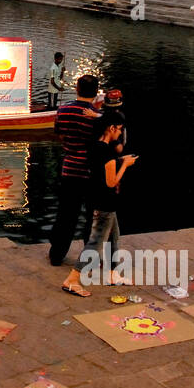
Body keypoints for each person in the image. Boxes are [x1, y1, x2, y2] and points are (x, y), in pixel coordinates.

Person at [49, 74, 101, 287]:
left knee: (66, 215)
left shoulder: (63, 111)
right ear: (96, 92)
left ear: (77, 89)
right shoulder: (97, 116)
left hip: (69, 169)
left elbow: (60, 135)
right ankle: (89, 260)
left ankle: (56, 255)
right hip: (90, 172)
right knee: (91, 217)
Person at [81, 112, 136, 288]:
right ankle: (74, 277)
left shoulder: (94, 146)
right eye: (119, 129)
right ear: (111, 128)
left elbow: (101, 168)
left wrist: (118, 161)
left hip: (94, 196)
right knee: (97, 241)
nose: (119, 133)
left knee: (113, 237)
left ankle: (113, 274)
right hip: (105, 201)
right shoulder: (106, 151)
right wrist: (125, 165)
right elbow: (111, 182)